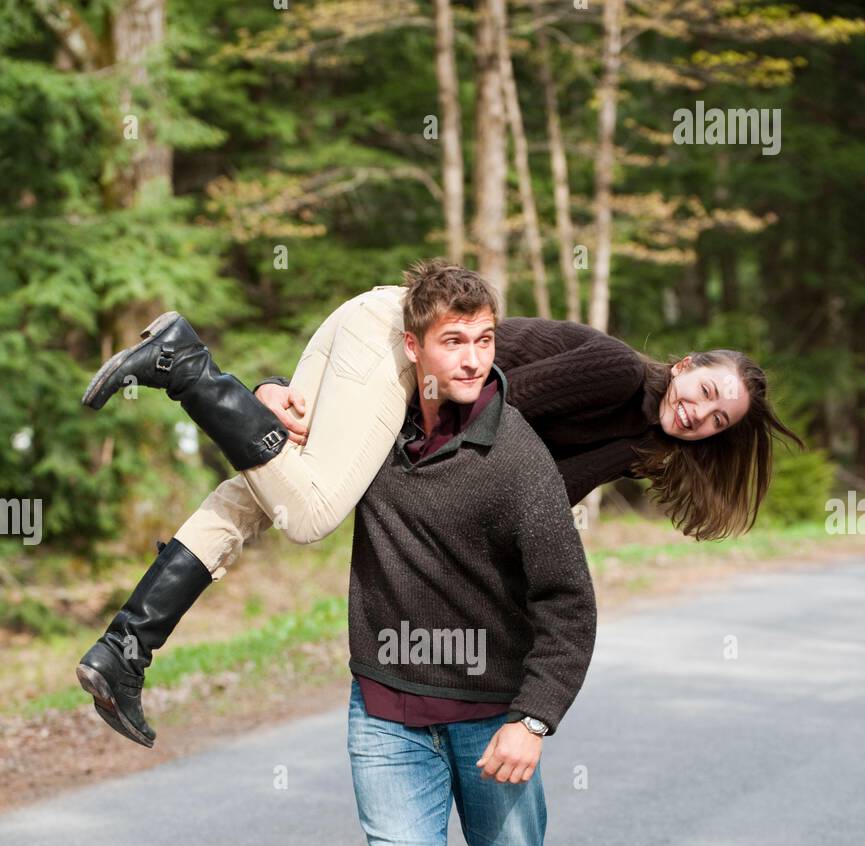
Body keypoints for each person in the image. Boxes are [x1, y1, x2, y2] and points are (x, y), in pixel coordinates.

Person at [75, 261, 802, 746]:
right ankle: (184, 364)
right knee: (313, 510)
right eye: (703, 392)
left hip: (388, 339)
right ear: (683, 366)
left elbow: (532, 494)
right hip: (401, 343)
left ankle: (122, 651)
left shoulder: (635, 441)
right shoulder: (615, 373)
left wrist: (268, 392)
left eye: (716, 422)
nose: (699, 414)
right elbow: (491, 412)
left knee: (261, 494)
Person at [342, 261, 595, 846]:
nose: (473, 358)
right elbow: (284, 454)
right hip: (385, 711)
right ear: (411, 349)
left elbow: (568, 601)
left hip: (493, 718)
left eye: (484, 340)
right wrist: (265, 391)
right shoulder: (366, 432)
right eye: (454, 340)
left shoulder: (514, 455)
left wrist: (532, 718)